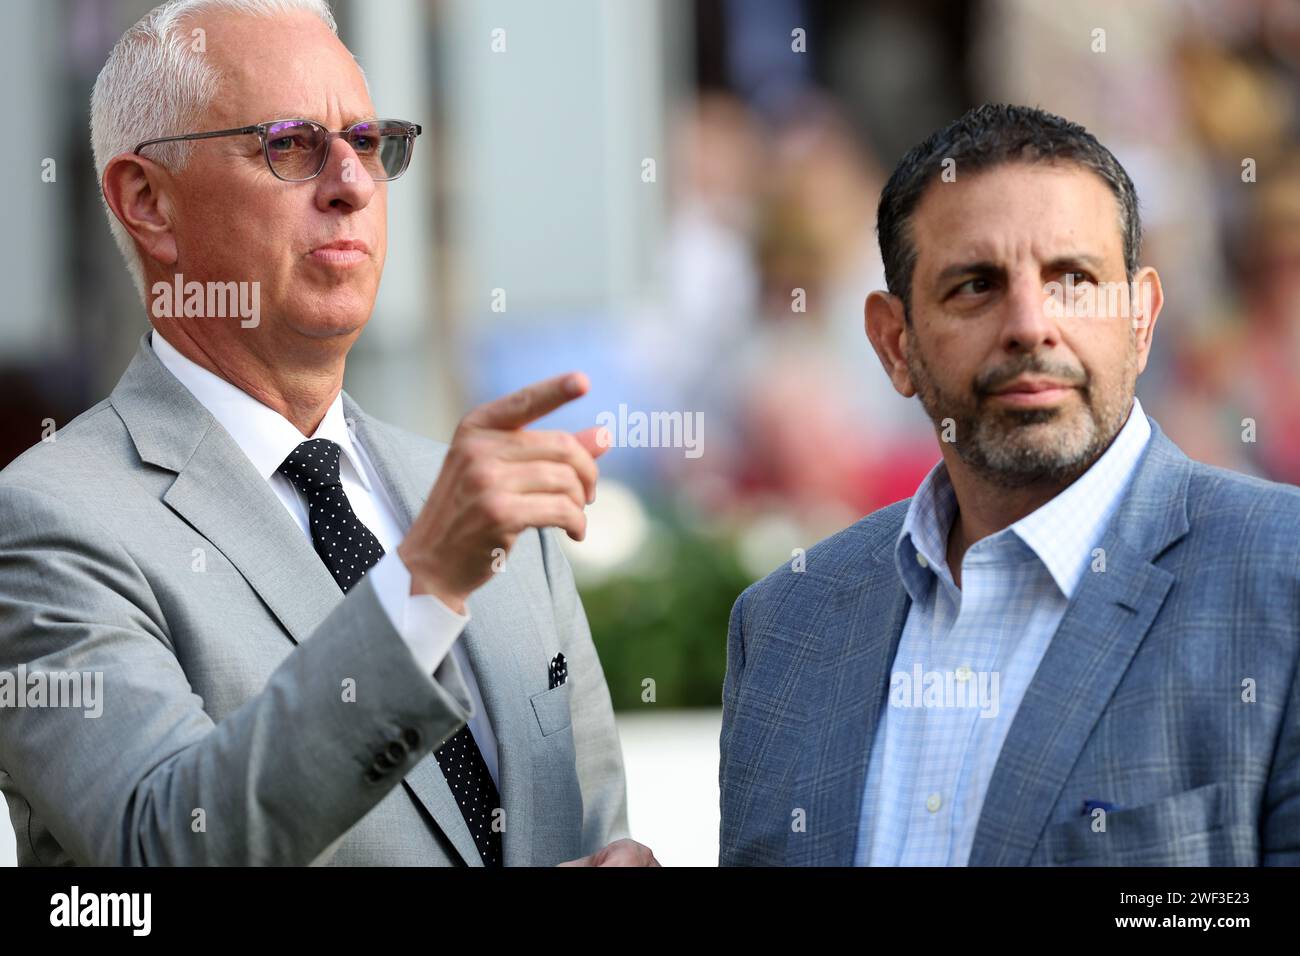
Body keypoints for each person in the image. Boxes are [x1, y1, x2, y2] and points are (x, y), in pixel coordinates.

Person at [0, 0, 656, 868]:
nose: (352, 181)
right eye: (292, 144)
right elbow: (161, 847)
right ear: (148, 201)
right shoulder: (53, 521)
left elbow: (588, 829)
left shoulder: (475, 509)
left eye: (370, 140)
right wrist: (423, 588)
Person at [719, 103, 1300, 866]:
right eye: (975, 285)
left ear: (1141, 319)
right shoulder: (784, 627)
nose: (1031, 323)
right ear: (895, 344)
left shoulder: (1282, 581)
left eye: (1073, 277)